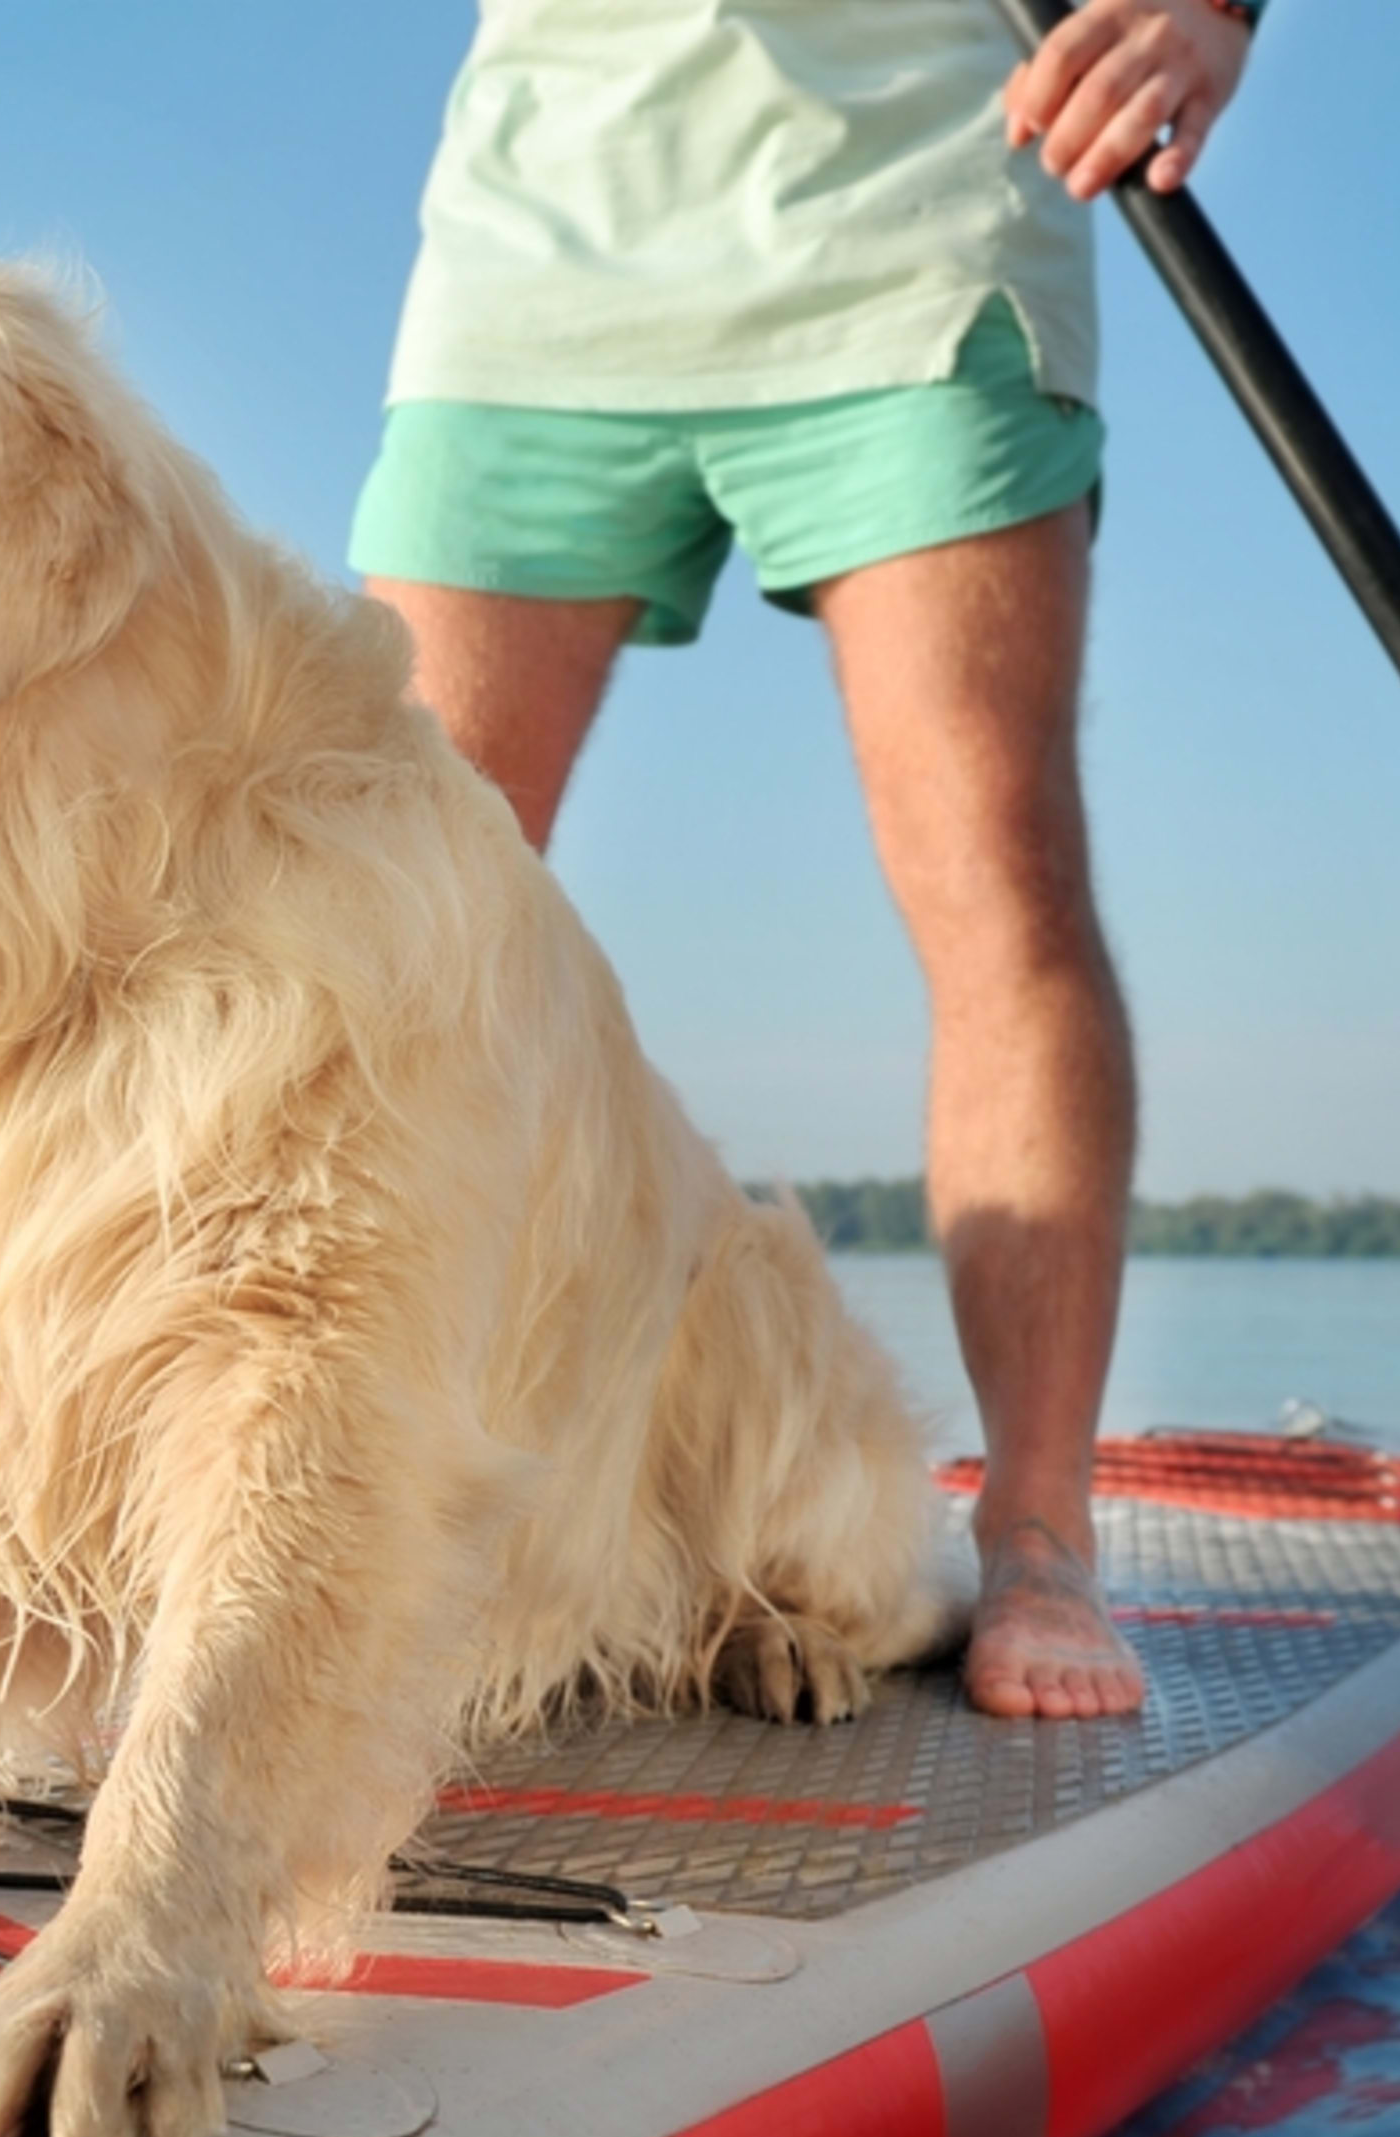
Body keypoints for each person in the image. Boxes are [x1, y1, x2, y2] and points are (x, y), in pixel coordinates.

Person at [352, 0, 1255, 1720]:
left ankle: (1044, 1535)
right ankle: (365, 1512)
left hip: (916, 219)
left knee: (1000, 881)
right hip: (539, 248)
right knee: (387, 920)